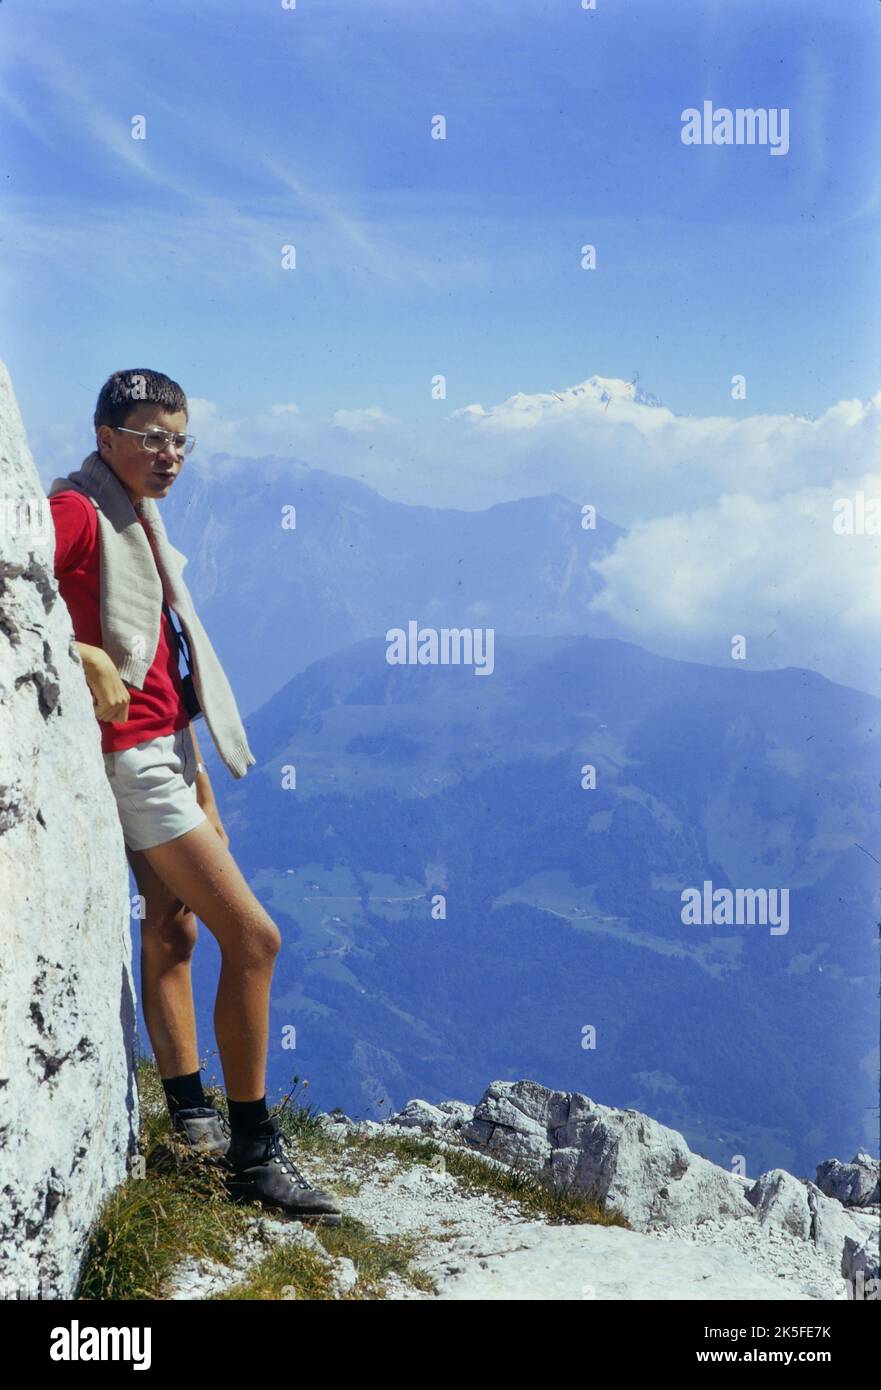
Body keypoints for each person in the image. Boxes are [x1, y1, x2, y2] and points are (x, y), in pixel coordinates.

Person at [48, 368, 340, 1225]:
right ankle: (253, 1154)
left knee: (173, 928)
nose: (169, 454)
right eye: (150, 436)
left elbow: (158, 637)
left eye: (180, 439)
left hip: (171, 746)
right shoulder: (76, 509)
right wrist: (84, 655)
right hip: (132, 759)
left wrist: (199, 759)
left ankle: (192, 1118)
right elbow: (15, 584)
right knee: (253, 938)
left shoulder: (132, 502)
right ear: (106, 438)